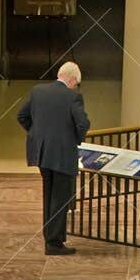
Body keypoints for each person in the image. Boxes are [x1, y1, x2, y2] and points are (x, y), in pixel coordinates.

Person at [18, 60, 90, 255]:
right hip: (62, 155)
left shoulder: (38, 91)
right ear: (73, 79)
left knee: (49, 195)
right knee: (60, 198)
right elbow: (82, 124)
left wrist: (36, 134)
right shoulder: (73, 97)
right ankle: (54, 243)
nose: (76, 86)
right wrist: (73, 140)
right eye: (76, 83)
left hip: (41, 153)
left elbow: (21, 116)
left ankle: (50, 236)